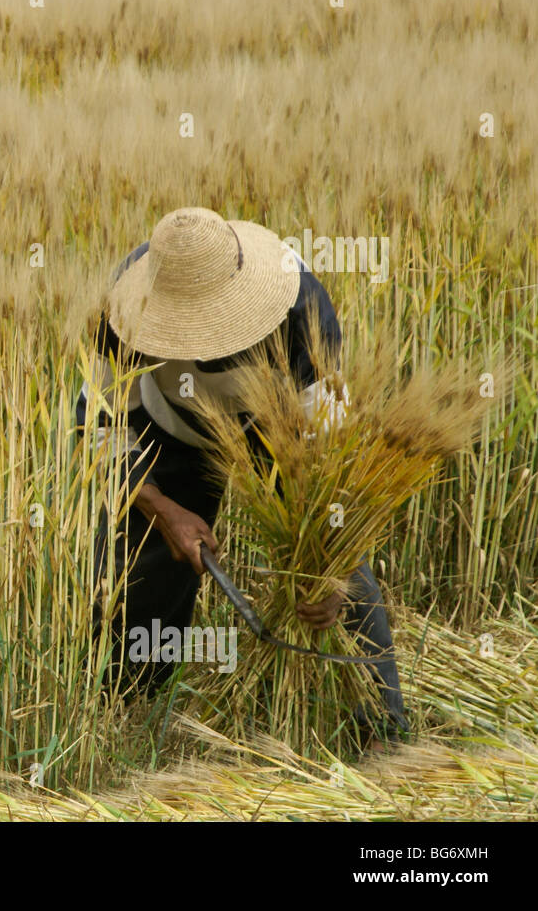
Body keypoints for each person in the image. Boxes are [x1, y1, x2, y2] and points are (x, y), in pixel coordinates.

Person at [76, 206, 408, 745]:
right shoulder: (122, 307)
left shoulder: (298, 305)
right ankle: (126, 724)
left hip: (281, 433)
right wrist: (164, 511)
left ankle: (383, 736)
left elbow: (331, 456)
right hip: (170, 434)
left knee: (343, 574)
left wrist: (335, 562)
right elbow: (99, 429)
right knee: (141, 575)